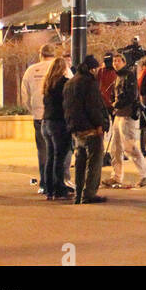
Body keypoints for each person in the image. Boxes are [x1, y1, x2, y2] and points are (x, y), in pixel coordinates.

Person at [63, 56, 109, 205]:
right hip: (90, 128)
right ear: (92, 69)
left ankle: (78, 192)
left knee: (80, 163)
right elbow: (93, 107)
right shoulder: (89, 83)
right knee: (94, 162)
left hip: (76, 128)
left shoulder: (70, 83)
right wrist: (99, 124)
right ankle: (89, 193)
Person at [106, 54, 146, 188]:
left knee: (129, 146)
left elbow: (131, 95)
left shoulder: (128, 76)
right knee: (115, 148)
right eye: (114, 61)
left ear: (124, 62)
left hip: (127, 114)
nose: (115, 63)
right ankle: (116, 176)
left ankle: (145, 173)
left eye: (118, 61)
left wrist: (117, 103)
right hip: (119, 114)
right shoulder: (118, 76)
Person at [19, 44, 59, 193]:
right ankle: (58, 181)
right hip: (57, 117)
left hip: (39, 116)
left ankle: (44, 183)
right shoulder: (61, 68)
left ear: (40, 54)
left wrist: (33, 110)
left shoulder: (31, 71)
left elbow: (25, 95)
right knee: (58, 151)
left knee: (43, 151)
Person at [40, 52, 73, 200]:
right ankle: (59, 188)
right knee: (60, 157)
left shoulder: (47, 83)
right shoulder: (65, 83)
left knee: (51, 156)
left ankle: (49, 188)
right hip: (59, 123)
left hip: (46, 122)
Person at [98, 52, 117, 168]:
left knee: (109, 129)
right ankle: (113, 152)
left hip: (105, 102)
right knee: (114, 129)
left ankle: (105, 151)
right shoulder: (112, 72)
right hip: (109, 102)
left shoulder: (101, 71)